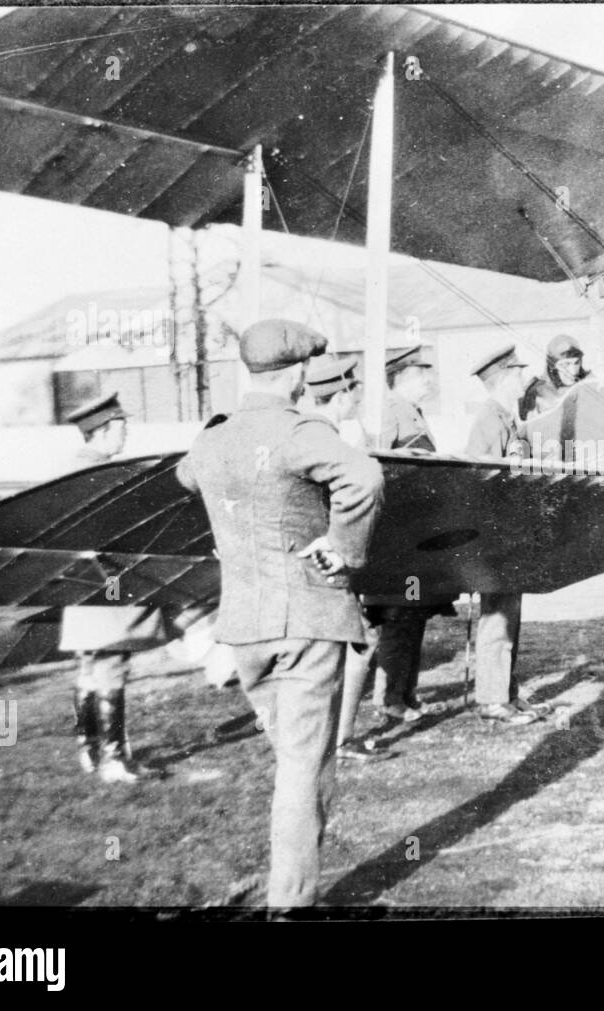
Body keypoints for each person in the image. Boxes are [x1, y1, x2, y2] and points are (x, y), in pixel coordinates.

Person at [176, 319, 384, 910]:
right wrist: (342, 547)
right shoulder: (297, 432)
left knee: (290, 757)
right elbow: (364, 475)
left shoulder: (212, 441)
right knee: (303, 766)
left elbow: (187, 477)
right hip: (306, 619)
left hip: (244, 628)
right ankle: (291, 902)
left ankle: (289, 891)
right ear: (296, 374)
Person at [60, 392, 169, 783]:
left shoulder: (70, 470)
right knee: (111, 663)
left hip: (79, 584)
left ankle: (89, 752)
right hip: (108, 581)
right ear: (104, 430)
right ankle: (114, 761)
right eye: (123, 427)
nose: (127, 434)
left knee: (89, 665)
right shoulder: (103, 475)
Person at [301, 353, 387, 763]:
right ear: (341, 395)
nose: (356, 395)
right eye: (352, 388)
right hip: (332, 559)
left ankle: (332, 736)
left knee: (339, 647)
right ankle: (340, 737)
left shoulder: (305, 434)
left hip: (313, 559)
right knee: (357, 643)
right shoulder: (337, 442)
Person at [365, 346, 454, 726]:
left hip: (416, 543)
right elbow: (374, 464)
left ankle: (405, 694)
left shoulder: (412, 412)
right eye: (421, 375)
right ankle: (390, 699)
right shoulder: (389, 411)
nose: (429, 381)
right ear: (401, 378)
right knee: (400, 617)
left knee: (413, 614)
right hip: (398, 542)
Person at [466, 345, 553, 726]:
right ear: (503, 379)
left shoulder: (506, 418)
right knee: (497, 618)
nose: (523, 380)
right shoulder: (489, 420)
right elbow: (478, 480)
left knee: (509, 617)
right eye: (518, 374)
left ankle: (507, 695)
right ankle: (491, 700)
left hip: (510, 534)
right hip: (495, 537)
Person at [520, 333, 590, 419]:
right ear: (552, 367)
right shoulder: (537, 392)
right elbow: (535, 431)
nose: (573, 371)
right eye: (565, 364)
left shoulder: (587, 383)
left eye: (576, 363)